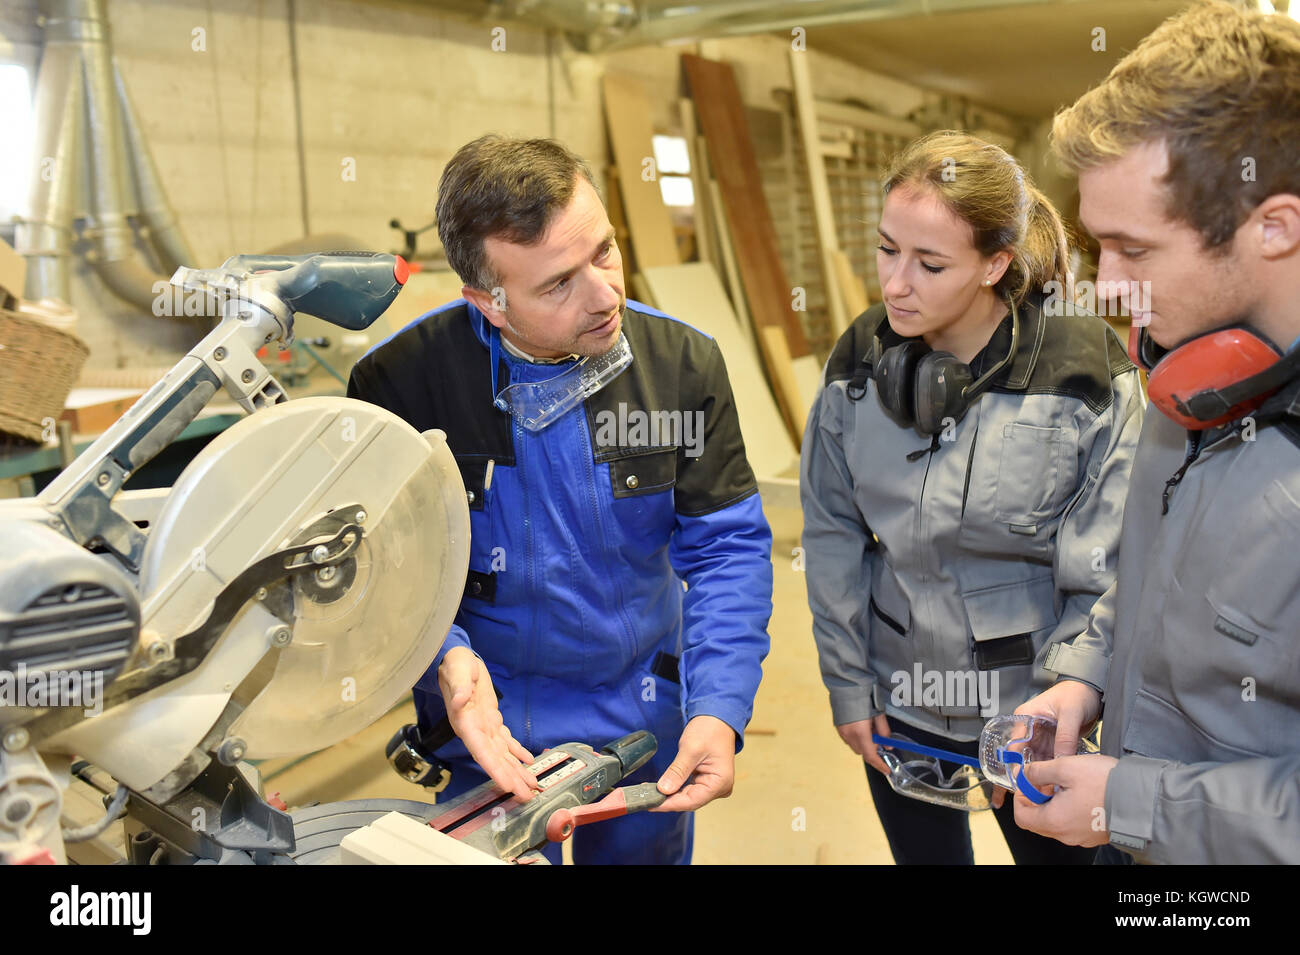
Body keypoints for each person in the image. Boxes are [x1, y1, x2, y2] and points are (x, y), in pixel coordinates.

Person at [347, 135, 774, 865]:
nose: (607, 296)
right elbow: (383, 574)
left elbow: (727, 549)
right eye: (557, 285)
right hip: (485, 728)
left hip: (644, 721)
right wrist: (445, 659)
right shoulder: (401, 386)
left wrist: (718, 707)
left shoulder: (681, 366)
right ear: (488, 300)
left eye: (605, 252)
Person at [801, 130, 1145, 864]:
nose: (895, 283)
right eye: (887, 248)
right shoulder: (856, 364)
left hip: (1035, 712)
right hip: (901, 704)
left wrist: (1056, 706)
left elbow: (1109, 572)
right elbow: (832, 533)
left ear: (996, 262)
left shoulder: (1086, 375)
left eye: (929, 264)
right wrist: (848, 683)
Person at [1012, 1, 1300, 864]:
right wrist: (1086, 677)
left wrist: (1136, 802)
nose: (1107, 285)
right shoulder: (1190, 374)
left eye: (1134, 250)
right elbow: (1155, 576)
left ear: (1275, 226)